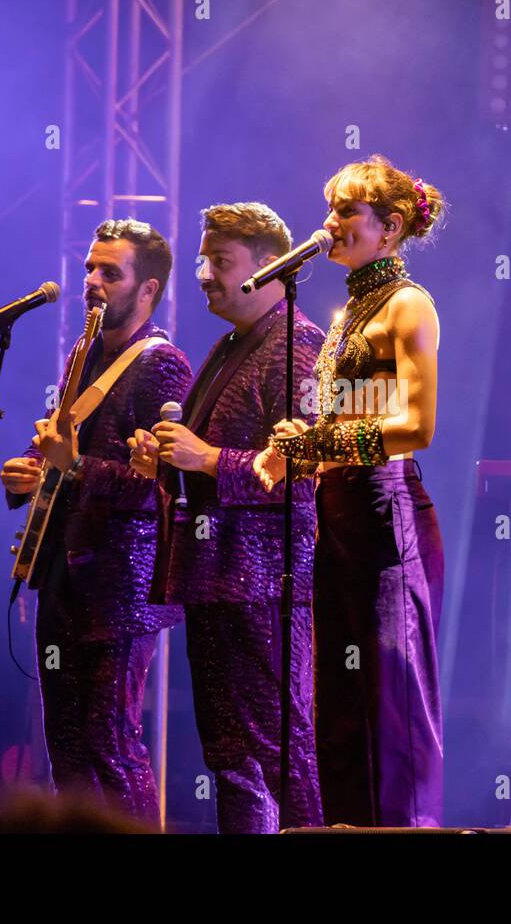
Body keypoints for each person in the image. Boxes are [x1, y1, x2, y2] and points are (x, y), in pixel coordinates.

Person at [255, 156, 447, 827]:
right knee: (337, 705)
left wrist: (320, 444)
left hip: (389, 520)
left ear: (389, 229)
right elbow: (347, 421)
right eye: (329, 208)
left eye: (345, 213)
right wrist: (294, 450)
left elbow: (416, 425)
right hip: (338, 518)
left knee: (389, 707)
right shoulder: (346, 312)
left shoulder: (408, 304)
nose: (328, 223)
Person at [128, 202, 324, 832]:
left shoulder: (298, 346)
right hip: (216, 578)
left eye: (221, 261)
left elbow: (304, 473)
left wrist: (209, 459)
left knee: (277, 751)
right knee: (231, 758)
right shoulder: (229, 344)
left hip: (267, 583)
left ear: (269, 267)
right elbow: (200, 458)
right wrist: (161, 459)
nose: (205, 273)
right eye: (203, 258)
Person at [1, 219, 191, 823]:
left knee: (110, 741)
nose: (92, 282)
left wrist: (75, 466)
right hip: (64, 571)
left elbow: (154, 488)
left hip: (122, 586)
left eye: (110, 273)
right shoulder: (81, 357)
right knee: (66, 745)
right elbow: (59, 447)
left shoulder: (163, 366)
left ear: (148, 289)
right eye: (89, 268)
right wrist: (28, 473)